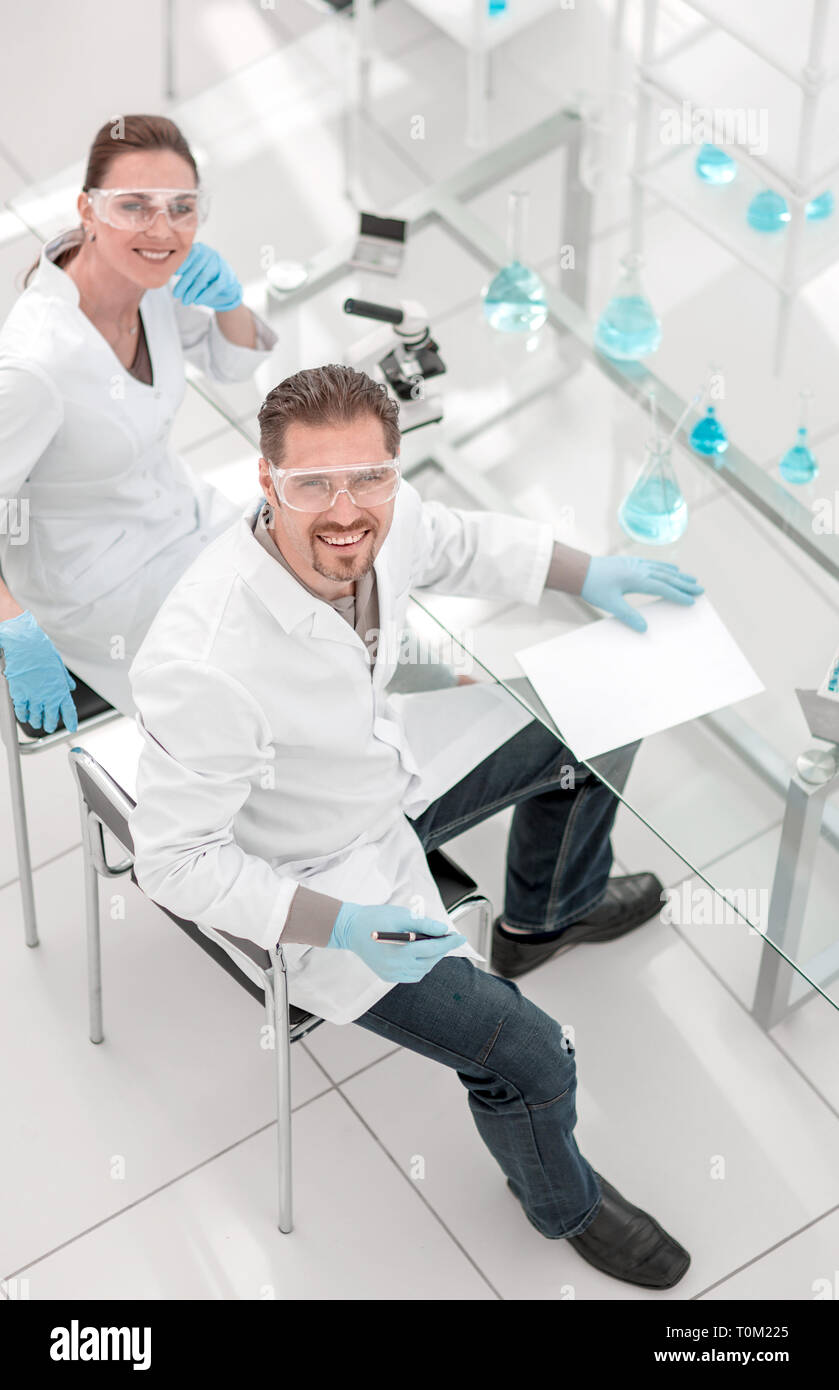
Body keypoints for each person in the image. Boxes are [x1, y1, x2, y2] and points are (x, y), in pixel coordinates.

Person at [129, 365, 703, 1288]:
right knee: (529, 1055)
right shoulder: (206, 658)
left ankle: (542, 918)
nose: (344, 508)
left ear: (394, 466)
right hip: (314, 872)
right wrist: (343, 925)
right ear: (265, 481)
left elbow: (454, 540)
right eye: (311, 484)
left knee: (602, 711)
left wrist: (588, 571)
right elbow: (176, 862)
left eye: (370, 477)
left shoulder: (377, 517)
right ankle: (564, 1203)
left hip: (379, 774)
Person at [0, 114, 277, 729]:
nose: (163, 229)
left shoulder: (151, 283)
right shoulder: (35, 366)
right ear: (87, 210)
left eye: (183, 208)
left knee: (332, 605)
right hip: (100, 589)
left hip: (184, 519)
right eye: (135, 206)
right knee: (268, 688)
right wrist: (12, 627)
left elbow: (231, 363)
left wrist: (229, 301)